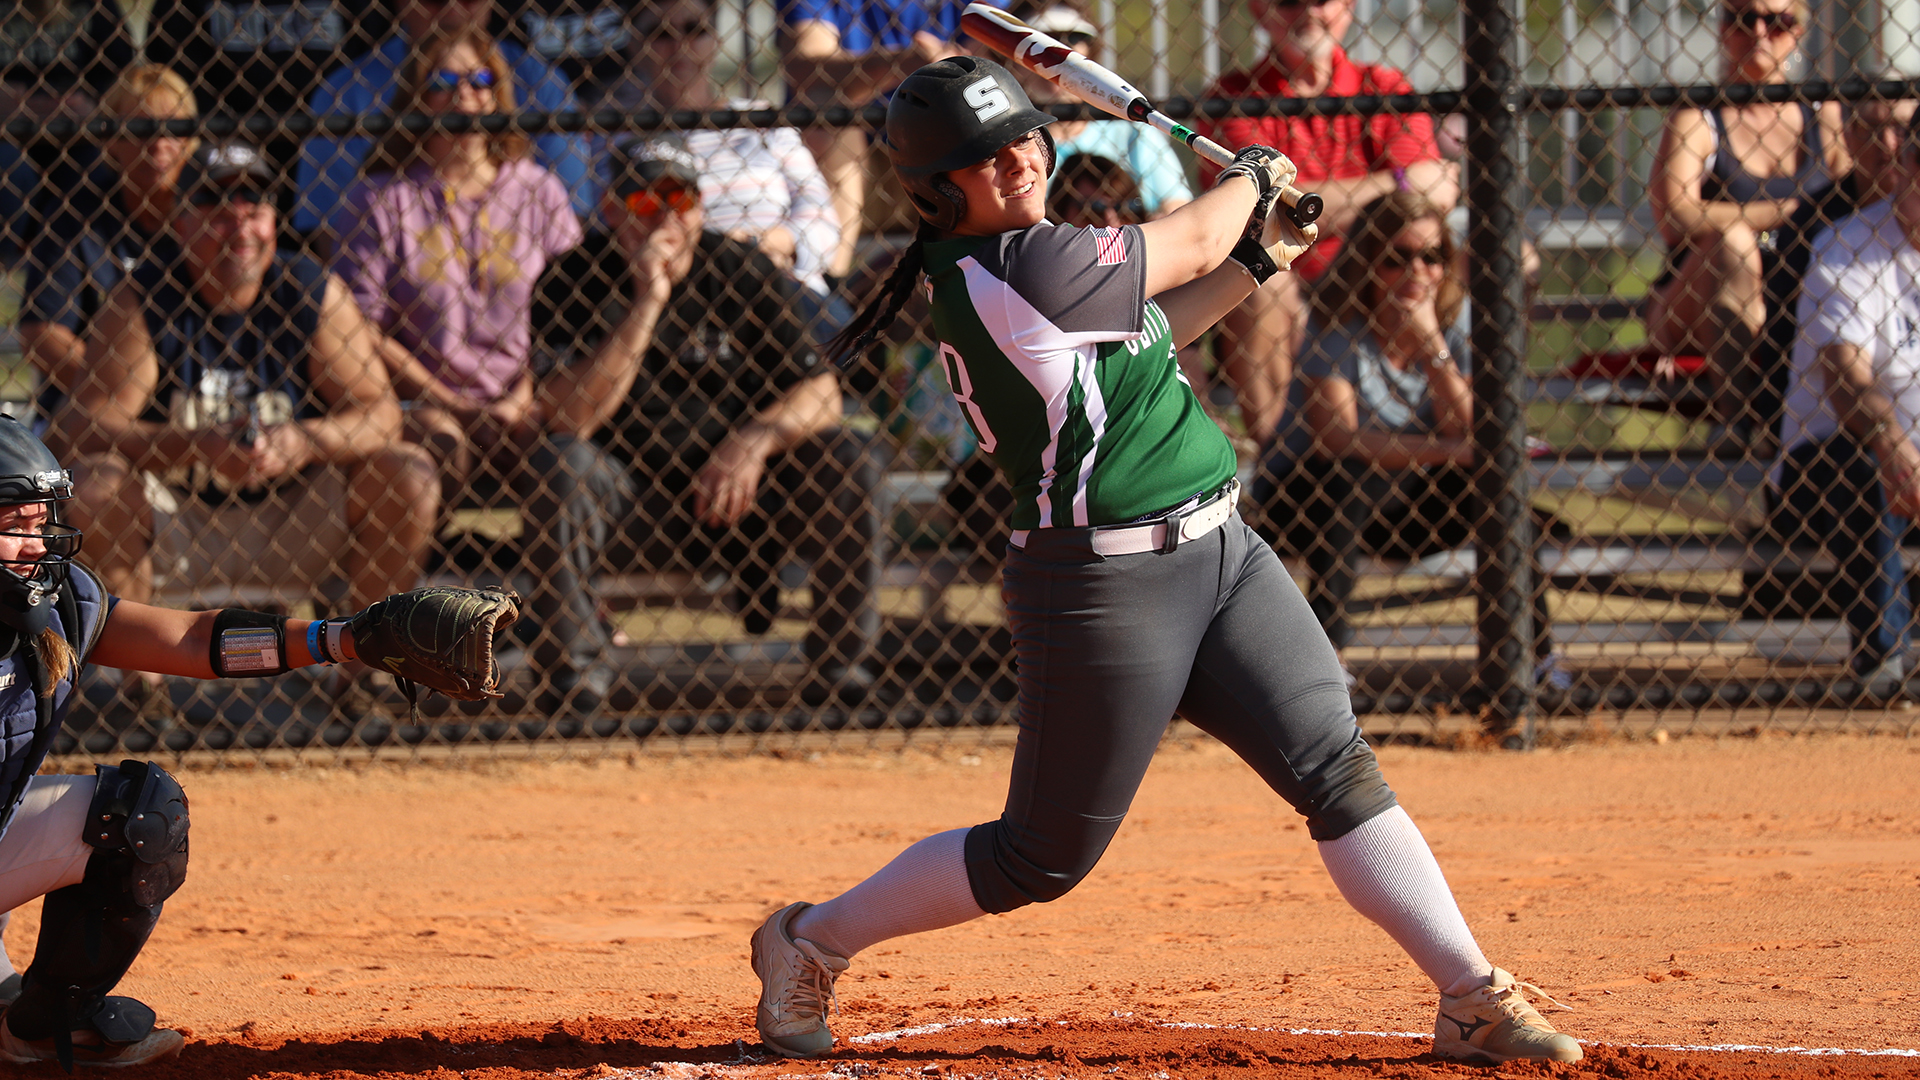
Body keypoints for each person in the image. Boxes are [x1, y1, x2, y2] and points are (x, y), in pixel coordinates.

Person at [745, 56, 1582, 1067]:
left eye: (1021, 140)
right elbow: (1184, 242)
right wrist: (1251, 178)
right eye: (983, 158)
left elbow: (1147, 333)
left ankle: (1471, 995)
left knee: (1337, 768)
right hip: (1101, 586)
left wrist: (1255, 264)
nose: (1016, 162)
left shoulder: (1037, 260)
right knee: (1039, 857)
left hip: (1224, 551)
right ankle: (811, 939)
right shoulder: (1016, 265)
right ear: (937, 192)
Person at [0, 415, 510, 1067]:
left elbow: (191, 641)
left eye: (40, 523)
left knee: (138, 814)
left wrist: (343, 639)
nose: (36, 547)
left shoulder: (60, 602)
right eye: (14, 526)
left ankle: (45, 1026)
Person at [331, 28, 670, 721]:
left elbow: (573, 307)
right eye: (444, 84)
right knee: (436, 449)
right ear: (416, 99)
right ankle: (400, 641)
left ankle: (564, 635)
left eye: (479, 82)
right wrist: (447, 400)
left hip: (529, 400)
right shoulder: (383, 200)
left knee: (563, 459)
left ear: (499, 95)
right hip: (425, 405)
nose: (464, 97)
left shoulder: (538, 192)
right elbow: (359, 328)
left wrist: (526, 395)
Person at [45, 140, 441, 717]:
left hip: (295, 517)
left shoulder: (309, 289)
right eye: (215, 207)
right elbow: (80, 428)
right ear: (180, 222)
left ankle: (363, 678)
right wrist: (192, 447)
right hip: (181, 521)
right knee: (97, 484)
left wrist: (304, 442)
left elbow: (380, 413)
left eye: (253, 206)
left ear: (274, 222)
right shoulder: (146, 296)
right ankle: (144, 692)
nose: (239, 224)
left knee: (408, 473)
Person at [537, 137, 883, 702]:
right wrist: (647, 301)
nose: (666, 218)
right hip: (631, 501)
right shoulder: (573, 277)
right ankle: (576, 674)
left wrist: (754, 441)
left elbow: (822, 392)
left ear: (700, 207)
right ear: (611, 210)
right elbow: (567, 418)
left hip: (743, 495)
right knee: (561, 464)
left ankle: (843, 668)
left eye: (681, 200)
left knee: (851, 456)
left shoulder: (738, 267)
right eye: (645, 202)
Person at [1250, 192, 1562, 687]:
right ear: (1369, 263)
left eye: (1432, 257)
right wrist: (1449, 452)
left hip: (1404, 507)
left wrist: (1432, 343)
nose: (1417, 271)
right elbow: (1339, 440)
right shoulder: (1338, 324)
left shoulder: (1455, 323)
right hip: (1306, 504)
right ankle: (1329, 660)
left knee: (1496, 492)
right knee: (1345, 480)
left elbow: (1471, 428)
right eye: (1397, 257)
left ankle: (1534, 659)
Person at [1196, 0, 1456, 447]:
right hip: (1286, 274)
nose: (1307, 12)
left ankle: (1470, 424)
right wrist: (1396, 181)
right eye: (1288, 2)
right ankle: (1282, 461)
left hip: (1374, 276)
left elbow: (1431, 202)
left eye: (1321, 1)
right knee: (1262, 280)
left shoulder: (1385, 86)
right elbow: (1259, 209)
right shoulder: (1234, 97)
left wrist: (1304, 200)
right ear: (1259, 11)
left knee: (1488, 257)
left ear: (1349, 7)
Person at [1645, 0, 1846, 442]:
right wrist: (1789, 212)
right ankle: (1738, 425)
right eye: (1742, 19)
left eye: (1776, 22)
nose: (1757, 33)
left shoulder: (1821, 113)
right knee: (1732, 243)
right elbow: (1676, 215)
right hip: (1696, 297)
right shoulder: (1698, 116)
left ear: (1797, 32)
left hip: (1796, 290)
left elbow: (1854, 201)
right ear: (1722, 29)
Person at [1771, 112, 1920, 690]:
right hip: (1832, 465)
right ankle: (1885, 661)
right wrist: (1894, 444)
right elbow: (1845, 378)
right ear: (1905, 168)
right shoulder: (1846, 246)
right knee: (1861, 464)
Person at [594, 0, 841, 295]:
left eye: (694, 29)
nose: (679, 45)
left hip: (782, 280)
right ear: (636, 47)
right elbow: (606, 229)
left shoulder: (763, 120)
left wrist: (756, 246)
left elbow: (824, 222)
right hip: (680, 291)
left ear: (715, 39)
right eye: (661, 33)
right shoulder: (617, 137)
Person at [292, 0, 594, 237]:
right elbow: (329, 233)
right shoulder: (345, 92)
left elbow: (572, 217)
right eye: (434, 0)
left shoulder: (540, 81)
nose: (452, 9)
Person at [19, 64, 193, 430]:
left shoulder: (214, 214)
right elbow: (42, 334)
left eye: (173, 128)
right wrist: (119, 394)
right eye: (140, 129)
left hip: (196, 408)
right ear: (111, 138)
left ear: (191, 139)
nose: (158, 143)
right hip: (91, 417)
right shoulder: (77, 214)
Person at [778, 0, 983, 280]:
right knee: (822, 107)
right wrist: (904, 64)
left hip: (944, 149)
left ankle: (989, 269)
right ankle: (830, 283)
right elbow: (806, 69)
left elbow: (993, 63)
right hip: (857, 161)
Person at [143, 0, 393, 180]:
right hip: (228, 161)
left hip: (334, 152)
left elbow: (382, 68)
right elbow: (176, 86)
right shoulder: (184, 8)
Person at [1002, 1, 1191, 217]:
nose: (1052, 60)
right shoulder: (1008, 141)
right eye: (1037, 46)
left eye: (1070, 42)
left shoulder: (1129, 130)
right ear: (1012, 61)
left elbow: (1176, 205)